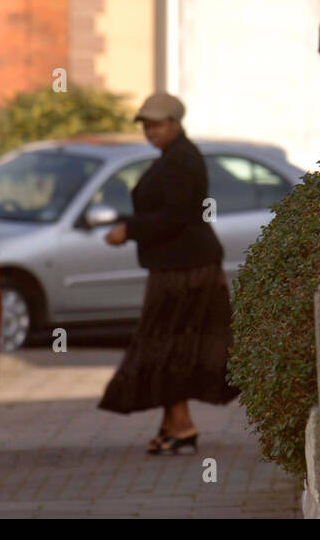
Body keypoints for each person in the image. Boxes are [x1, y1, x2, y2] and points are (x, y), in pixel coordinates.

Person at [97, 91, 238, 453]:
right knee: (168, 343)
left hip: (186, 270)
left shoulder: (182, 160)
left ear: (175, 123)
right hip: (178, 266)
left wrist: (129, 230)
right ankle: (172, 425)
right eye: (145, 125)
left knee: (168, 344)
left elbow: (176, 216)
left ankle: (182, 425)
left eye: (156, 124)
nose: (150, 131)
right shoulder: (174, 157)